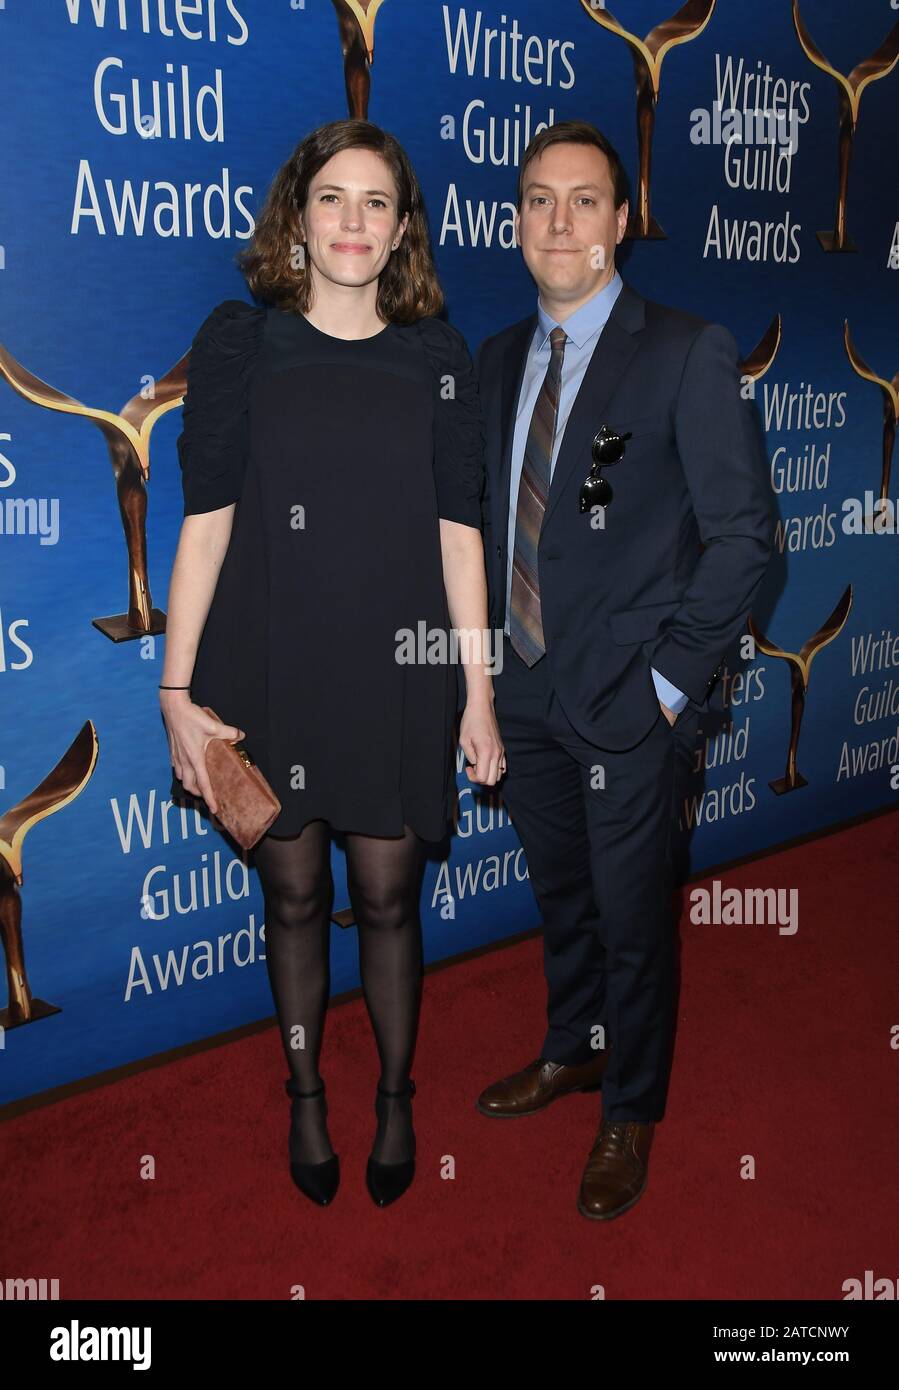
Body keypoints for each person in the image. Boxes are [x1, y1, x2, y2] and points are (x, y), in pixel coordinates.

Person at [159, 118, 504, 1210]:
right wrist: (174, 691)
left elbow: (462, 533)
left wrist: (479, 690)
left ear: (403, 229)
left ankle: (395, 1098)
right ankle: (305, 1092)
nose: (353, 221)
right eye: (332, 198)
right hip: (272, 668)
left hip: (400, 670)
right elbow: (205, 524)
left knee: (392, 901)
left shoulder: (436, 358)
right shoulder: (239, 345)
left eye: (376, 202)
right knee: (294, 896)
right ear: (296, 217)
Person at [474, 121, 773, 1220]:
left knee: (633, 914)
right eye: (538, 200)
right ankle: (574, 1050)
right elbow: (483, 528)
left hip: (633, 704)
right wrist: (476, 681)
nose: (560, 222)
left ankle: (628, 1107)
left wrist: (665, 687)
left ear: (619, 222)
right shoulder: (496, 357)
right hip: (524, 692)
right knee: (561, 898)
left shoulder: (683, 349)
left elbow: (745, 538)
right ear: (515, 223)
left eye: (584, 201)